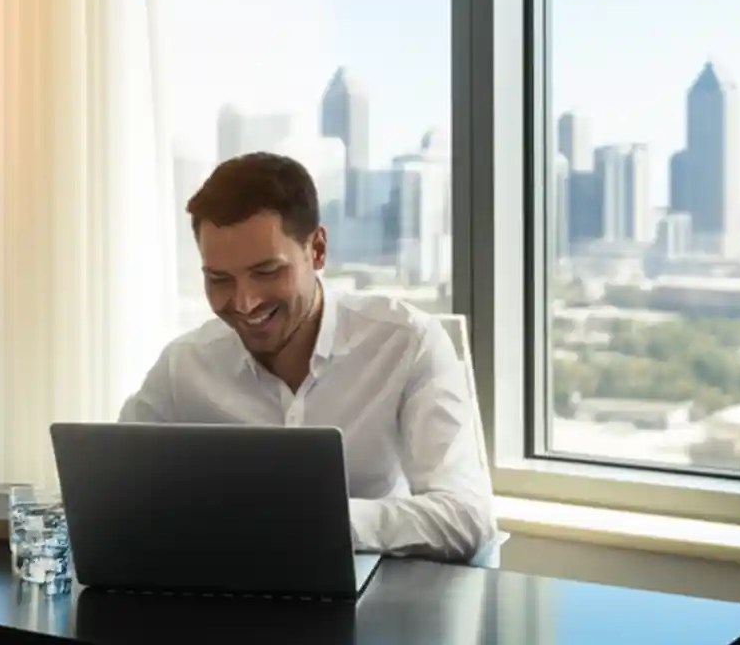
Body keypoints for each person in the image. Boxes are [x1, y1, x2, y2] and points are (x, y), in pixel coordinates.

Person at [119, 151, 496, 562]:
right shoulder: (184, 366)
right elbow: (112, 491)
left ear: (316, 250)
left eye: (267, 272)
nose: (245, 303)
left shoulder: (407, 342)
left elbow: (466, 518)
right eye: (220, 279)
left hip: (376, 603)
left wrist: (316, 521)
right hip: (227, 600)